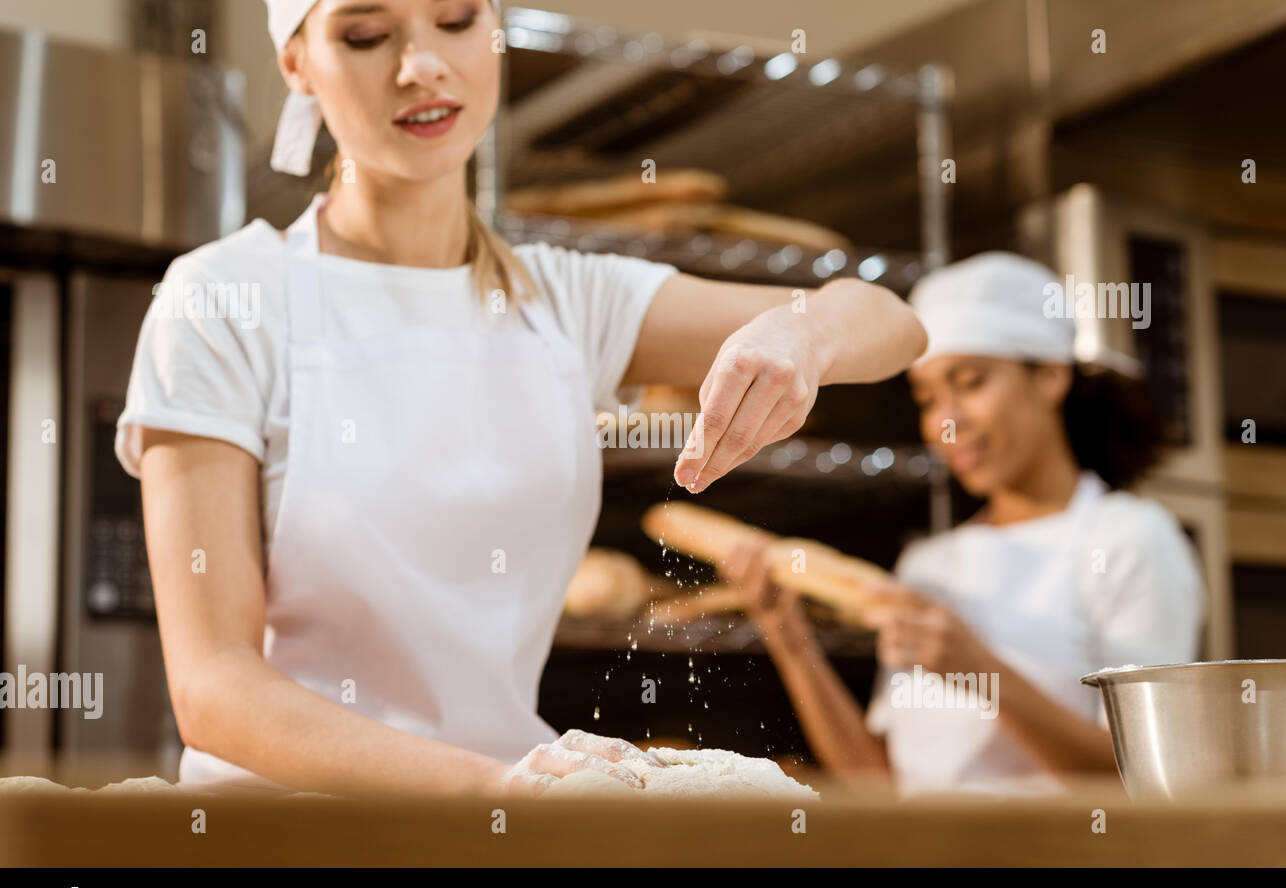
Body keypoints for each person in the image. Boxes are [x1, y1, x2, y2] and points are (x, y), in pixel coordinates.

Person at [114, 0, 926, 797]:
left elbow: (893, 322)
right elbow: (214, 687)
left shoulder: (568, 299)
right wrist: (494, 788)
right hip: (291, 835)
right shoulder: (224, 297)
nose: (420, 63)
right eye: (366, 34)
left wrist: (804, 335)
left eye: (457, 21)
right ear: (297, 63)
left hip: (507, 818)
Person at [727, 252, 1204, 796]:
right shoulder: (929, 564)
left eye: (971, 382)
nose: (946, 424)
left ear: (1050, 375)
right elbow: (881, 789)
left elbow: (1146, 784)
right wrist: (789, 639)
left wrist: (977, 667)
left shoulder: (1130, 540)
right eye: (928, 399)